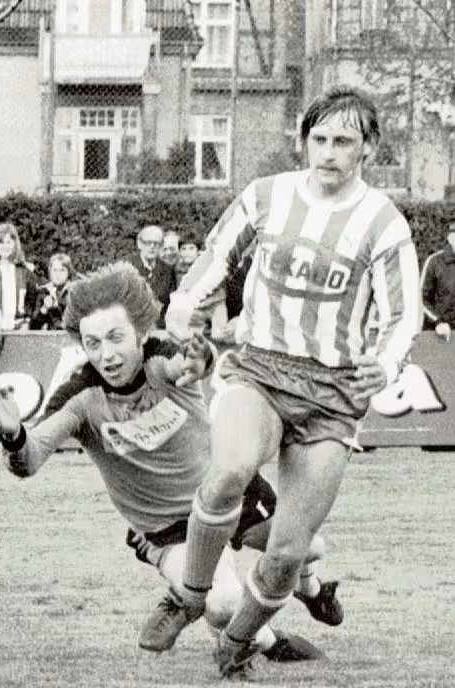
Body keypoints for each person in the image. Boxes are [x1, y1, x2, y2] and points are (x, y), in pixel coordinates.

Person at [142, 87, 422, 678]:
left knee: (288, 553)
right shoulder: (266, 196)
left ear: (367, 147)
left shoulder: (383, 222)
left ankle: (239, 639)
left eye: (343, 141)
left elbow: (404, 315)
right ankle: (188, 596)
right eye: (318, 139)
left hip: (332, 395)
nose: (327, 152)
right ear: (304, 141)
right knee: (228, 472)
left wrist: (388, 361)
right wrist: (186, 301)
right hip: (261, 368)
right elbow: (216, 257)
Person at [0, 262, 325, 667]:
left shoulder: (159, 359)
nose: (106, 355)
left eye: (115, 338)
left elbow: (186, 365)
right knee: (221, 604)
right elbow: (29, 459)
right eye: (93, 343)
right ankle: (271, 643)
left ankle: (314, 590)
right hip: (167, 530)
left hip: (227, 492)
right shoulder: (79, 397)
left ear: (141, 332)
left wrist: (200, 362)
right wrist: (13, 434)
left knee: (308, 547)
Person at [0, 223, 39, 331]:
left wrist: (28, 320)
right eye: (1, 242)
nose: (5, 246)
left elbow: (34, 300)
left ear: (15, 244)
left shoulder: (26, 272)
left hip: (21, 327)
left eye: (9, 242)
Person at [129, 225, 178, 326]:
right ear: (139, 244)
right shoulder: (126, 268)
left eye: (156, 243)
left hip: (160, 327)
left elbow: (170, 303)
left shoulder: (168, 270)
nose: (152, 246)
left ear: (161, 246)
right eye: (147, 242)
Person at [420, 220, 455, 340]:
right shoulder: (434, 262)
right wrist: (438, 322)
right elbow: (421, 299)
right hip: (439, 336)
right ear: (450, 238)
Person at [29, 253, 76, 331]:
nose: (58, 274)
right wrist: (44, 308)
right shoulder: (42, 292)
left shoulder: (74, 291)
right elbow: (33, 327)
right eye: (55, 270)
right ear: (50, 272)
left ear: (68, 273)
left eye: (62, 270)